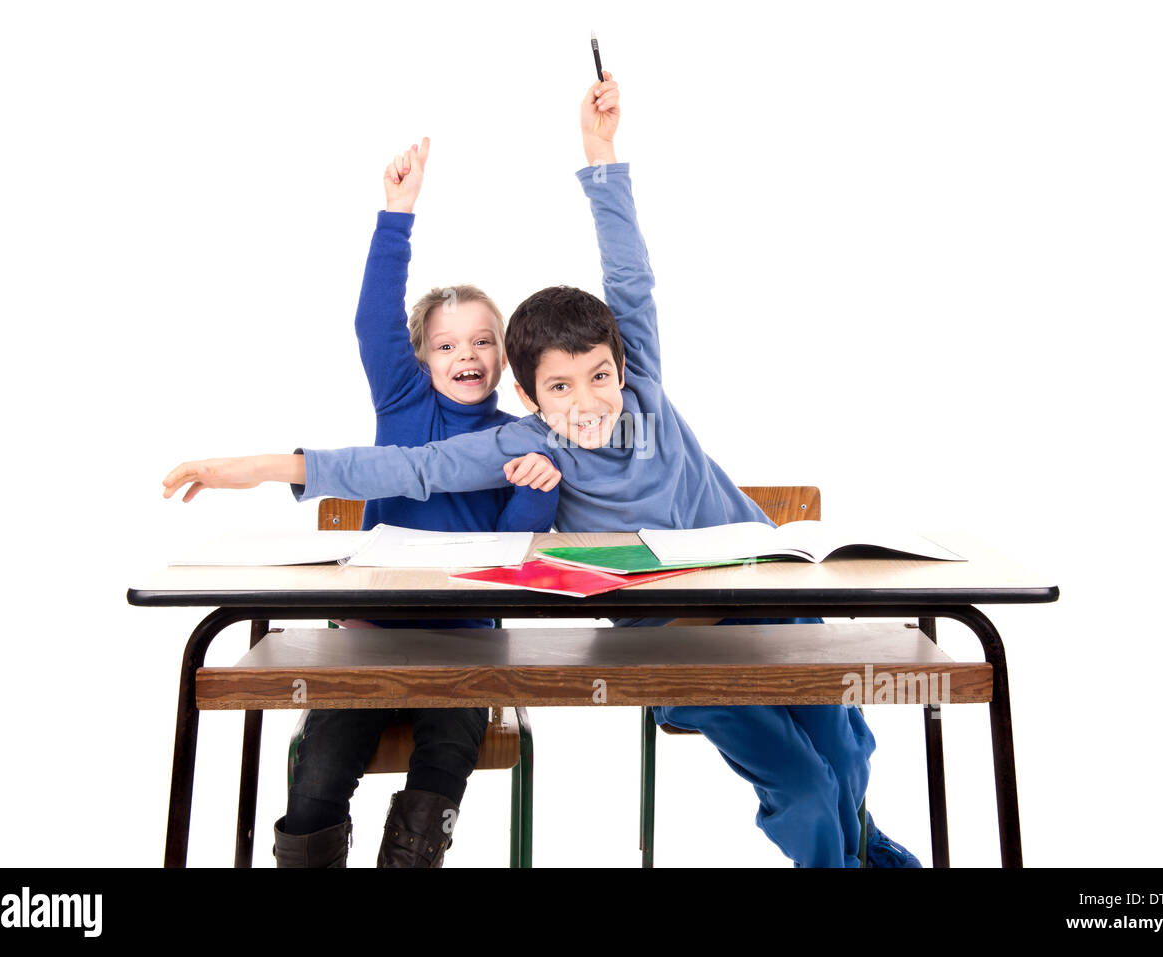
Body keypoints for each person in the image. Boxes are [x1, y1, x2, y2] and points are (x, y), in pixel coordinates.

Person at [163, 75, 917, 867]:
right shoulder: (525, 445)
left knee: (850, 745)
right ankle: (840, 850)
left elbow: (630, 277)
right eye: (559, 387)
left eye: (599, 375)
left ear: (623, 364)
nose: (587, 400)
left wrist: (601, 155)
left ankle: (864, 840)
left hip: (767, 607)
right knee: (803, 783)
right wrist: (247, 467)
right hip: (675, 646)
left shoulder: (646, 385)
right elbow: (408, 467)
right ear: (526, 395)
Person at [274, 138, 560, 868]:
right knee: (322, 763)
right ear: (420, 358)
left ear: (506, 356)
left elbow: (515, 555)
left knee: (448, 747)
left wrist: (533, 492)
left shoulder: (519, 435)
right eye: (445, 345)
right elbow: (374, 320)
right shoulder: (403, 405)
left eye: (483, 341)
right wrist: (396, 214)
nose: (466, 354)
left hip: (463, 640)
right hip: (369, 632)